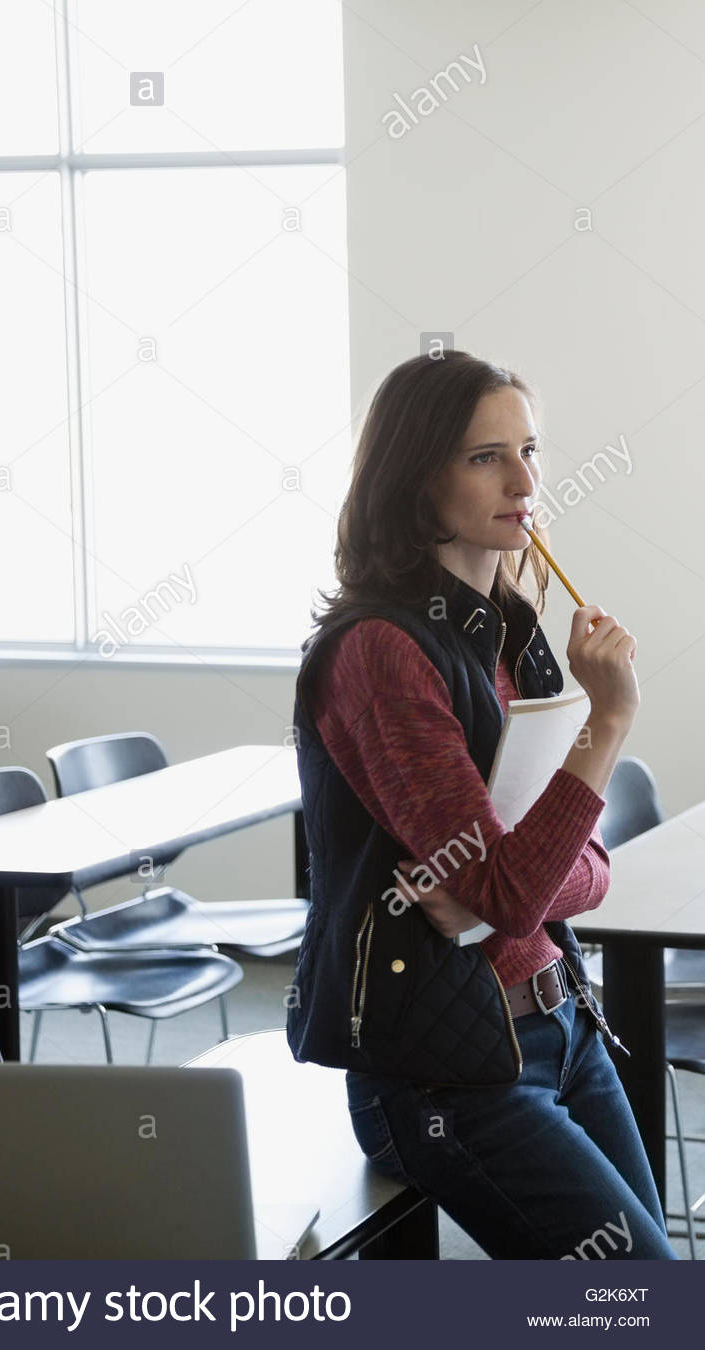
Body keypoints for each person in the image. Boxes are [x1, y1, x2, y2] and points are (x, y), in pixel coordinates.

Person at [287, 349, 677, 1260]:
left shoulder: (507, 630)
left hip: (562, 1017)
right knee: (641, 1294)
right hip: (446, 1073)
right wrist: (608, 721)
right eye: (485, 457)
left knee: (652, 1295)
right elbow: (515, 885)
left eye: (530, 450)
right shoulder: (380, 653)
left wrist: (518, 882)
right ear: (414, 477)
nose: (525, 480)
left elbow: (567, 870)